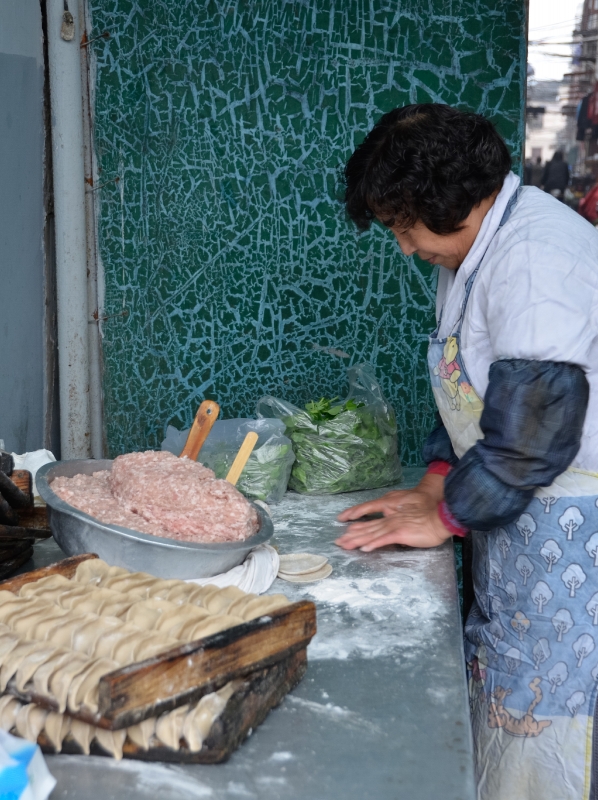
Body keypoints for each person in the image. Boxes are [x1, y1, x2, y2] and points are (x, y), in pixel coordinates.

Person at [336, 103, 598, 800]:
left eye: (402, 226)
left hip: (574, 544)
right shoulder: (477, 252)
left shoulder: (533, 256)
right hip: (521, 534)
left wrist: (447, 517)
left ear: (447, 204)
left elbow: (535, 428)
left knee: (551, 739)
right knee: (508, 721)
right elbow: (472, 395)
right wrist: (438, 480)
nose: (404, 247)